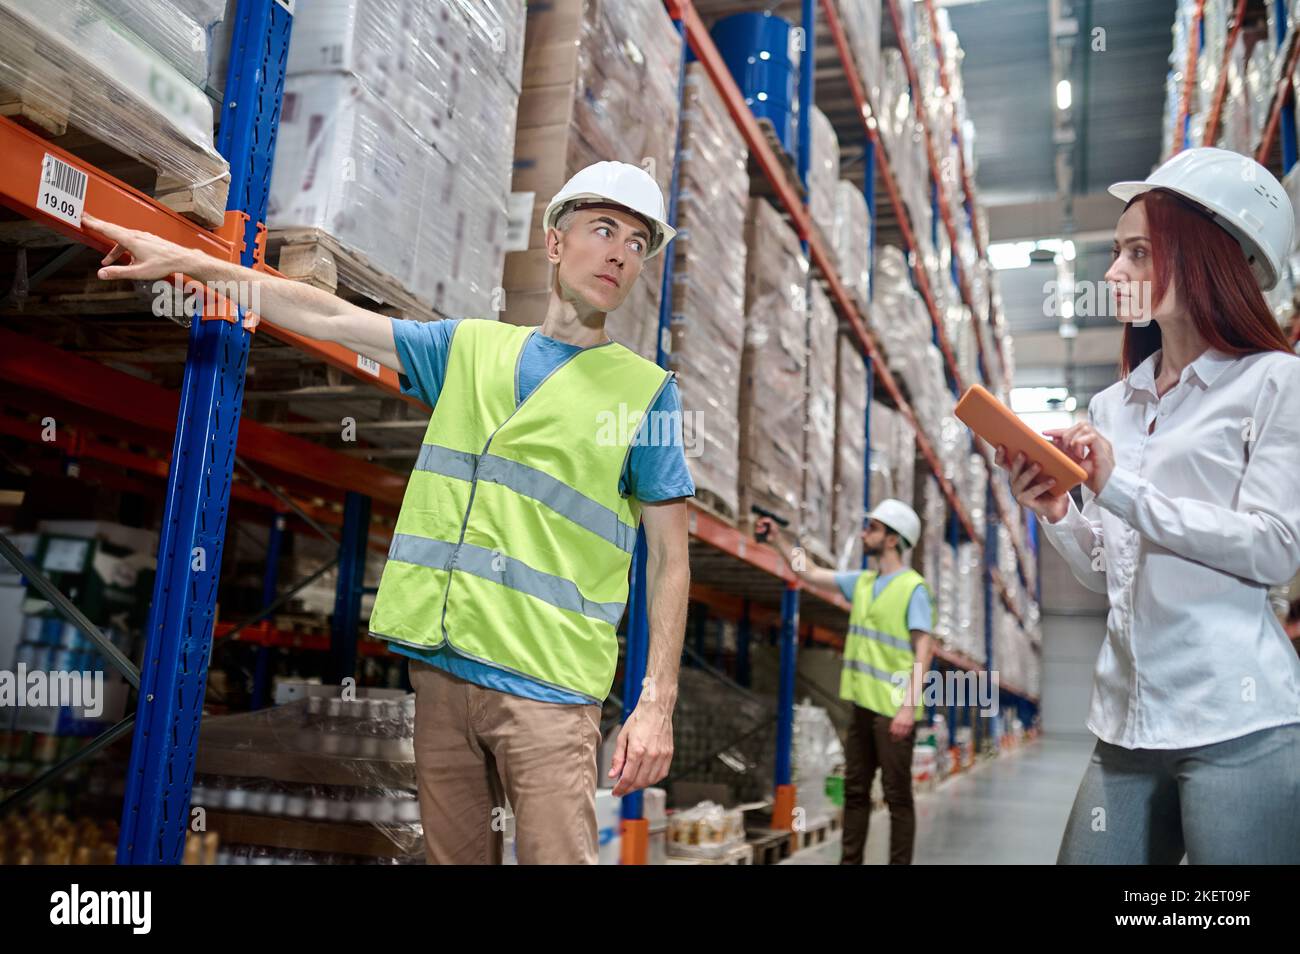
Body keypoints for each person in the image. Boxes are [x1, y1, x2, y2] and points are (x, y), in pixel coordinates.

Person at [84, 160, 694, 864]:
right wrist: (191, 262)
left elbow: (672, 561)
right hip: (440, 675)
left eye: (638, 243)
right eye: (603, 228)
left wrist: (656, 702)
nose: (620, 252)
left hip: (549, 694)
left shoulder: (647, 395)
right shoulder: (469, 348)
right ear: (555, 243)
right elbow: (331, 316)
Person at [992, 147, 1300, 864]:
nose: (1112, 274)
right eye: (1116, 252)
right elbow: (1114, 571)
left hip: (1238, 724)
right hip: (1128, 723)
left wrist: (1117, 487)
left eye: (1137, 252)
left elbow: (1274, 546)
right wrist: (1061, 510)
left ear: (1205, 257)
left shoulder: (1275, 384)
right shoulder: (1114, 404)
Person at [757, 499, 935, 864]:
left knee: (897, 797)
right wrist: (778, 540)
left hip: (893, 714)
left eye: (872, 528)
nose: (863, 533)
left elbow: (924, 651)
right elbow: (808, 572)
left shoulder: (913, 588)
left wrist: (907, 708)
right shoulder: (863, 583)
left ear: (891, 539)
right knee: (855, 792)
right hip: (863, 707)